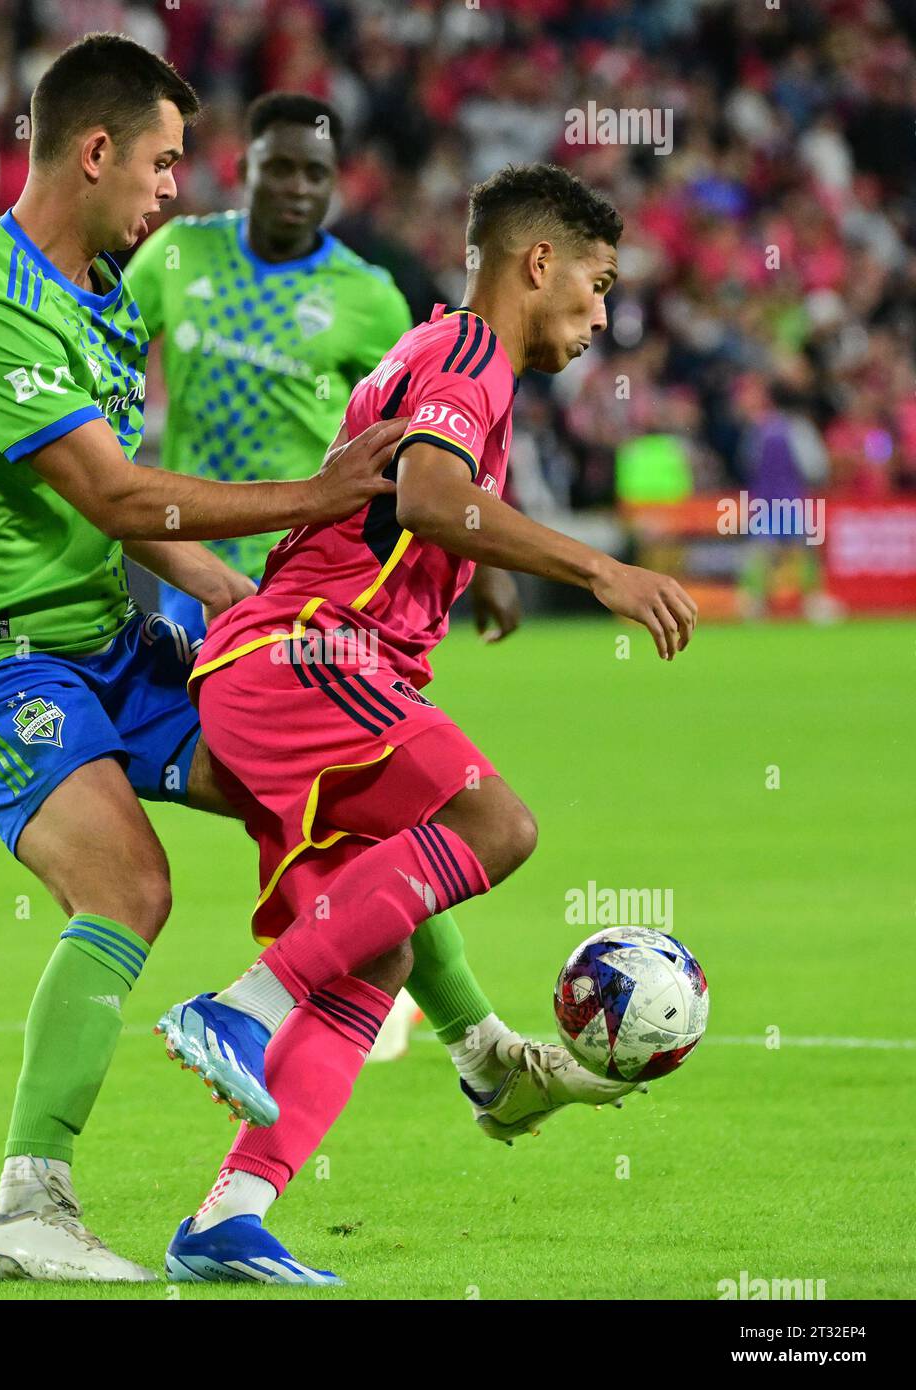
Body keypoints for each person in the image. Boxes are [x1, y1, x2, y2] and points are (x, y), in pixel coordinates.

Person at [0, 31, 397, 1284]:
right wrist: (309, 500)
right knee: (128, 886)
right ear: (93, 151)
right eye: (161, 163)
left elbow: (108, 515)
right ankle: (23, 1203)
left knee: (326, 777)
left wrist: (231, 590)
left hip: (92, 635)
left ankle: (460, 1048)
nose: (173, 189)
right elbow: (110, 495)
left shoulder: (94, 290)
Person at [158, 163, 698, 1285]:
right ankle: (241, 1007)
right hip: (305, 654)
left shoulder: (452, 366)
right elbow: (425, 497)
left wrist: (477, 570)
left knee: (379, 948)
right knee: (496, 824)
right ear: (534, 263)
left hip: (312, 668)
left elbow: (436, 506)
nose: (601, 316)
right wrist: (596, 569)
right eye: (595, 285)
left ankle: (229, 1212)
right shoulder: (464, 357)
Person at [129, 88, 524, 1066]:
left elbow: (430, 447)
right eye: (279, 166)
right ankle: (404, 999)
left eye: (314, 170)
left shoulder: (369, 297)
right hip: (185, 559)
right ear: (244, 167)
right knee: (352, 804)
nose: (297, 186)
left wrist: (478, 557)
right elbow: (109, 363)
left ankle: (396, 997)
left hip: (311, 591)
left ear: (334, 182)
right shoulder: (175, 256)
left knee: (357, 800)